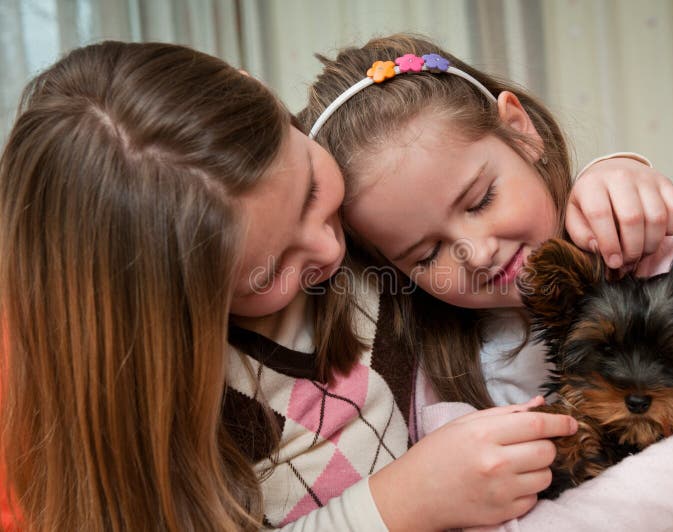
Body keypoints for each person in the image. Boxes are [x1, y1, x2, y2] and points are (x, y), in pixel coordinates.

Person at [0, 40, 588, 532]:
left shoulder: (374, 234)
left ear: (252, 85)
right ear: (167, 310)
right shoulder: (178, 400)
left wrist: (611, 177)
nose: (331, 250)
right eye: (267, 270)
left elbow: (480, 195)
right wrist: (395, 506)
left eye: (310, 189)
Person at [299, 33, 673, 530]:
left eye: (480, 200)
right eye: (426, 253)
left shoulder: (671, 246)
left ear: (520, 129)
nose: (477, 251)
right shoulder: (428, 357)